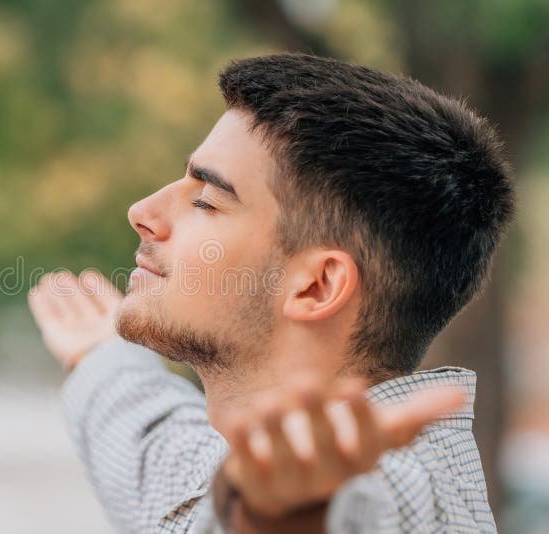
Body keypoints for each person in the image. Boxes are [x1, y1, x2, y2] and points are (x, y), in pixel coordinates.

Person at [28, 53, 515, 533]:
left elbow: (349, 511)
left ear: (316, 285)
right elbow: (155, 443)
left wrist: (276, 518)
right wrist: (100, 354)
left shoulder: (387, 485)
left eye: (206, 199)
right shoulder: (210, 471)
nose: (142, 210)